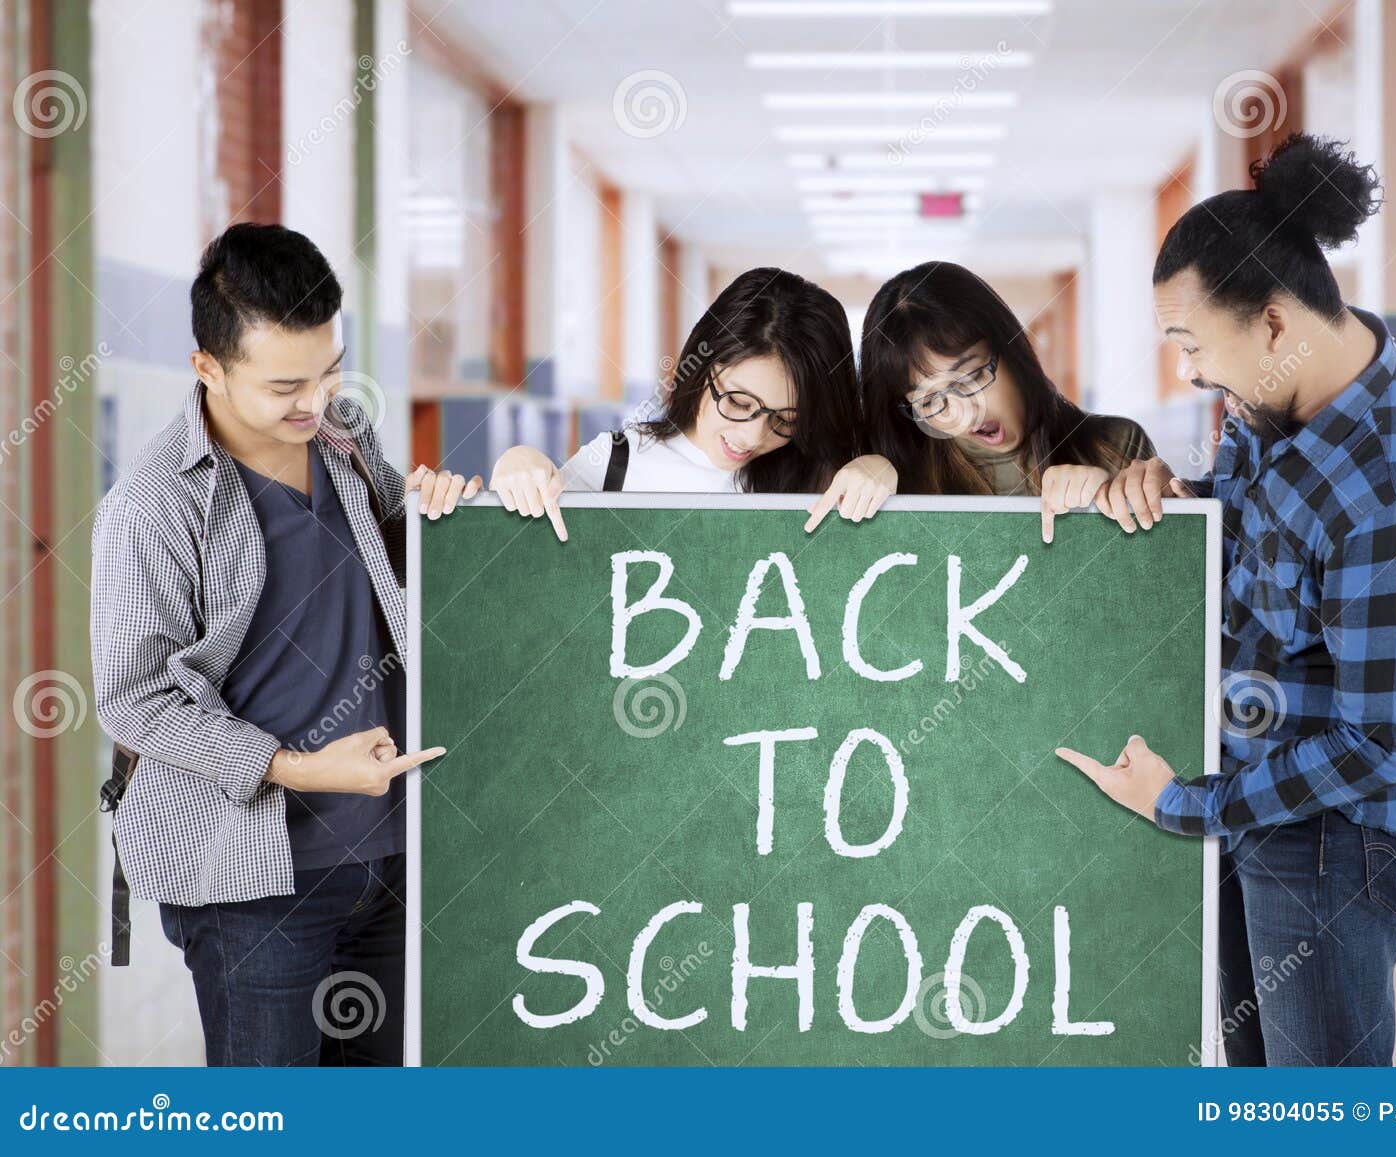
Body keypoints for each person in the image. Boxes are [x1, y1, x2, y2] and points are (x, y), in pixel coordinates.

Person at [1056, 135, 1396, 1067]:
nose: (1190, 371)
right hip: (1253, 797)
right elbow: (1252, 536)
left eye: (1193, 345)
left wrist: (1188, 805)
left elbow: (1381, 741)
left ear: (1276, 324)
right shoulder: (1271, 397)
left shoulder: (1388, 489)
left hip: (1327, 839)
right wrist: (1176, 493)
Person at [90, 222, 476, 1065]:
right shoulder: (155, 505)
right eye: (284, 386)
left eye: (330, 370)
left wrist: (435, 515)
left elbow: (378, 568)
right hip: (251, 884)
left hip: (387, 856)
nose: (316, 401)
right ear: (207, 368)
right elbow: (135, 699)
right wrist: (300, 769)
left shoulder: (340, 433)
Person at [489, 267, 896, 536]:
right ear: (701, 368)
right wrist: (518, 463)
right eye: (738, 403)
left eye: (786, 420)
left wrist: (878, 467)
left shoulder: (821, 477)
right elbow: (530, 544)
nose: (752, 437)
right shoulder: (619, 462)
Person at [859, 260, 1154, 541]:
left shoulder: (1116, 445)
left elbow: (1169, 577)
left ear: (1011, 348)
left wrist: (1105, 506)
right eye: (931, 401)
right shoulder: (899, 481)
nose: (962, 413)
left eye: (971, 377)